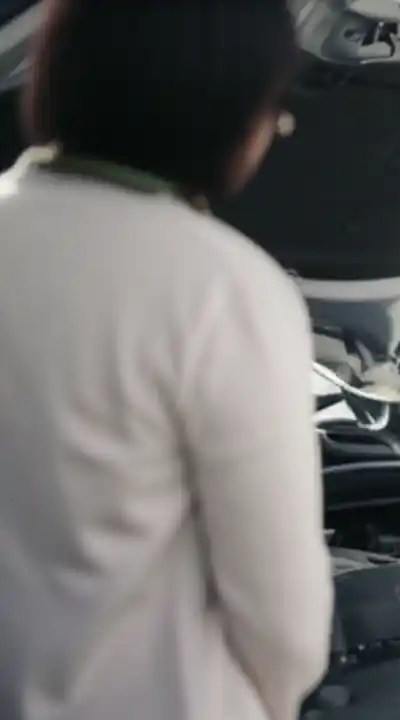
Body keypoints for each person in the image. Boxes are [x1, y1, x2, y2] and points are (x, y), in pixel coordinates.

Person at [0, 2, 332, 720]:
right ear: (218, 108)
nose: (277, 129)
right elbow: (286, 627)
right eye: (272, 106)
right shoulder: (224, 288)